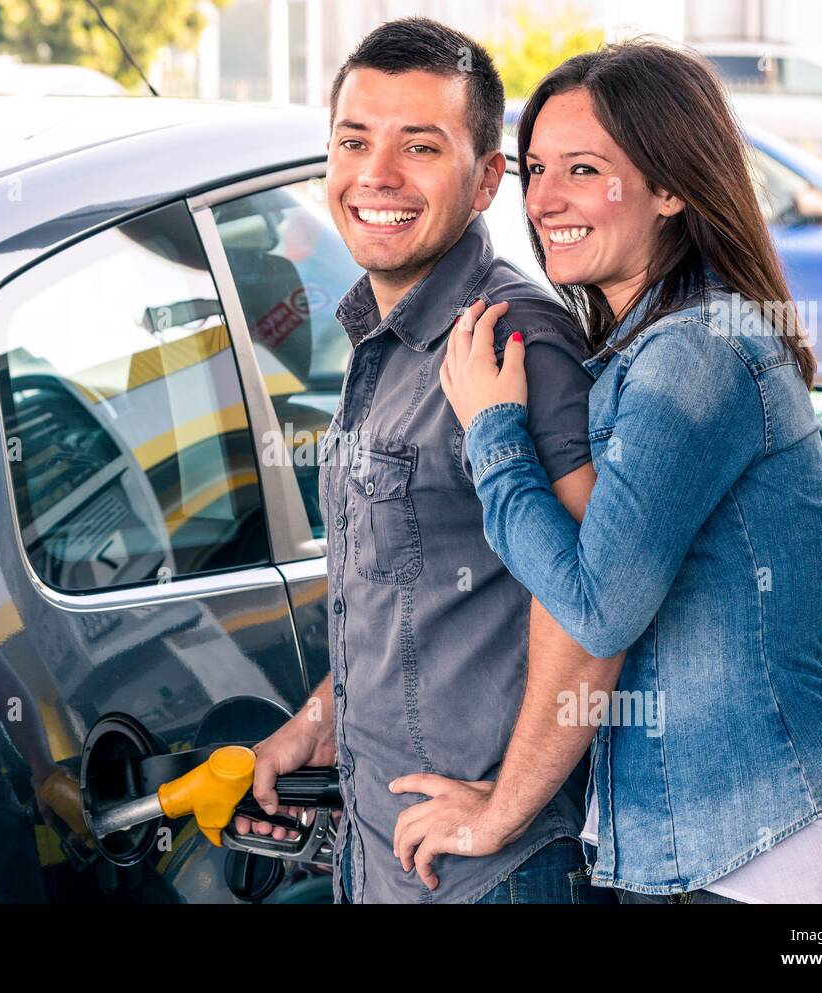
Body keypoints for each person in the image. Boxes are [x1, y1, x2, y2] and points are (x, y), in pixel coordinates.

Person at [398, 39, 822, 903]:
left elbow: (600, 608)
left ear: (673, 186)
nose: (546, 199)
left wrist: (494, 434)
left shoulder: (696, 354)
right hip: (702, 860)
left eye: (584, 168)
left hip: (781, 862)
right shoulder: (641, 353)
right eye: (535, 170)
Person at [233, 16, 621, 903]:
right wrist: (314, 724)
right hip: (380, 866)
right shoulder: (380, 340)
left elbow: (599, 603)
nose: (377, 175)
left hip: (497, 876)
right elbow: (401, 599)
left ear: (487, 180)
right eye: (354, 141)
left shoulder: (517, 340)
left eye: (420, 147)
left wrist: (502, 810)